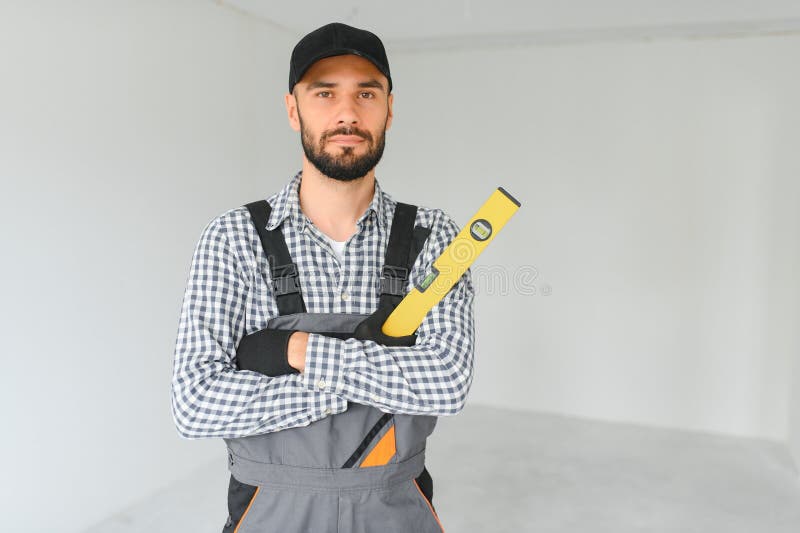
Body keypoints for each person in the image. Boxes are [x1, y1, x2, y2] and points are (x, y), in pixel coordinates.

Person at [171, 21, 475, 532]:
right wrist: (378, 378)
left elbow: (446, 383)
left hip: (394, 510)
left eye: (366, 93)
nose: (347, 113)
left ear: (389, 109)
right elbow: (196, 404)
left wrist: (296, 353)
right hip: (269, 513)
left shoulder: (435, 236)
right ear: (293, 109)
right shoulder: (232, 238)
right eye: (324, 93)